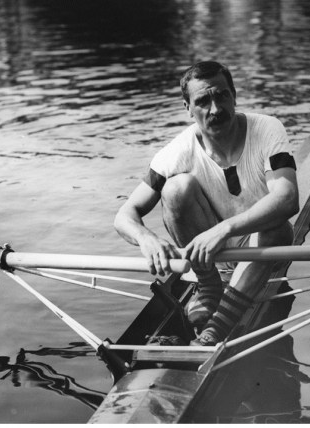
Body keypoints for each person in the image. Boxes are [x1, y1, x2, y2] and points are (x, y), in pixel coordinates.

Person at [114, 61, 299, 345]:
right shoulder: (176, 152)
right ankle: (209, 284)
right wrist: (145, 238)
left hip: (265, 247)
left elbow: (287, 198)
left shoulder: (267, 128)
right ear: (188, 108)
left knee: (276, 226)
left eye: (222, 96)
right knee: (175, 189)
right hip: (211, 256)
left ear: (234, 96)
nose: (215, 109)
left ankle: (217, 328)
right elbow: (125, 215)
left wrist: (223, 229)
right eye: (202, 101)